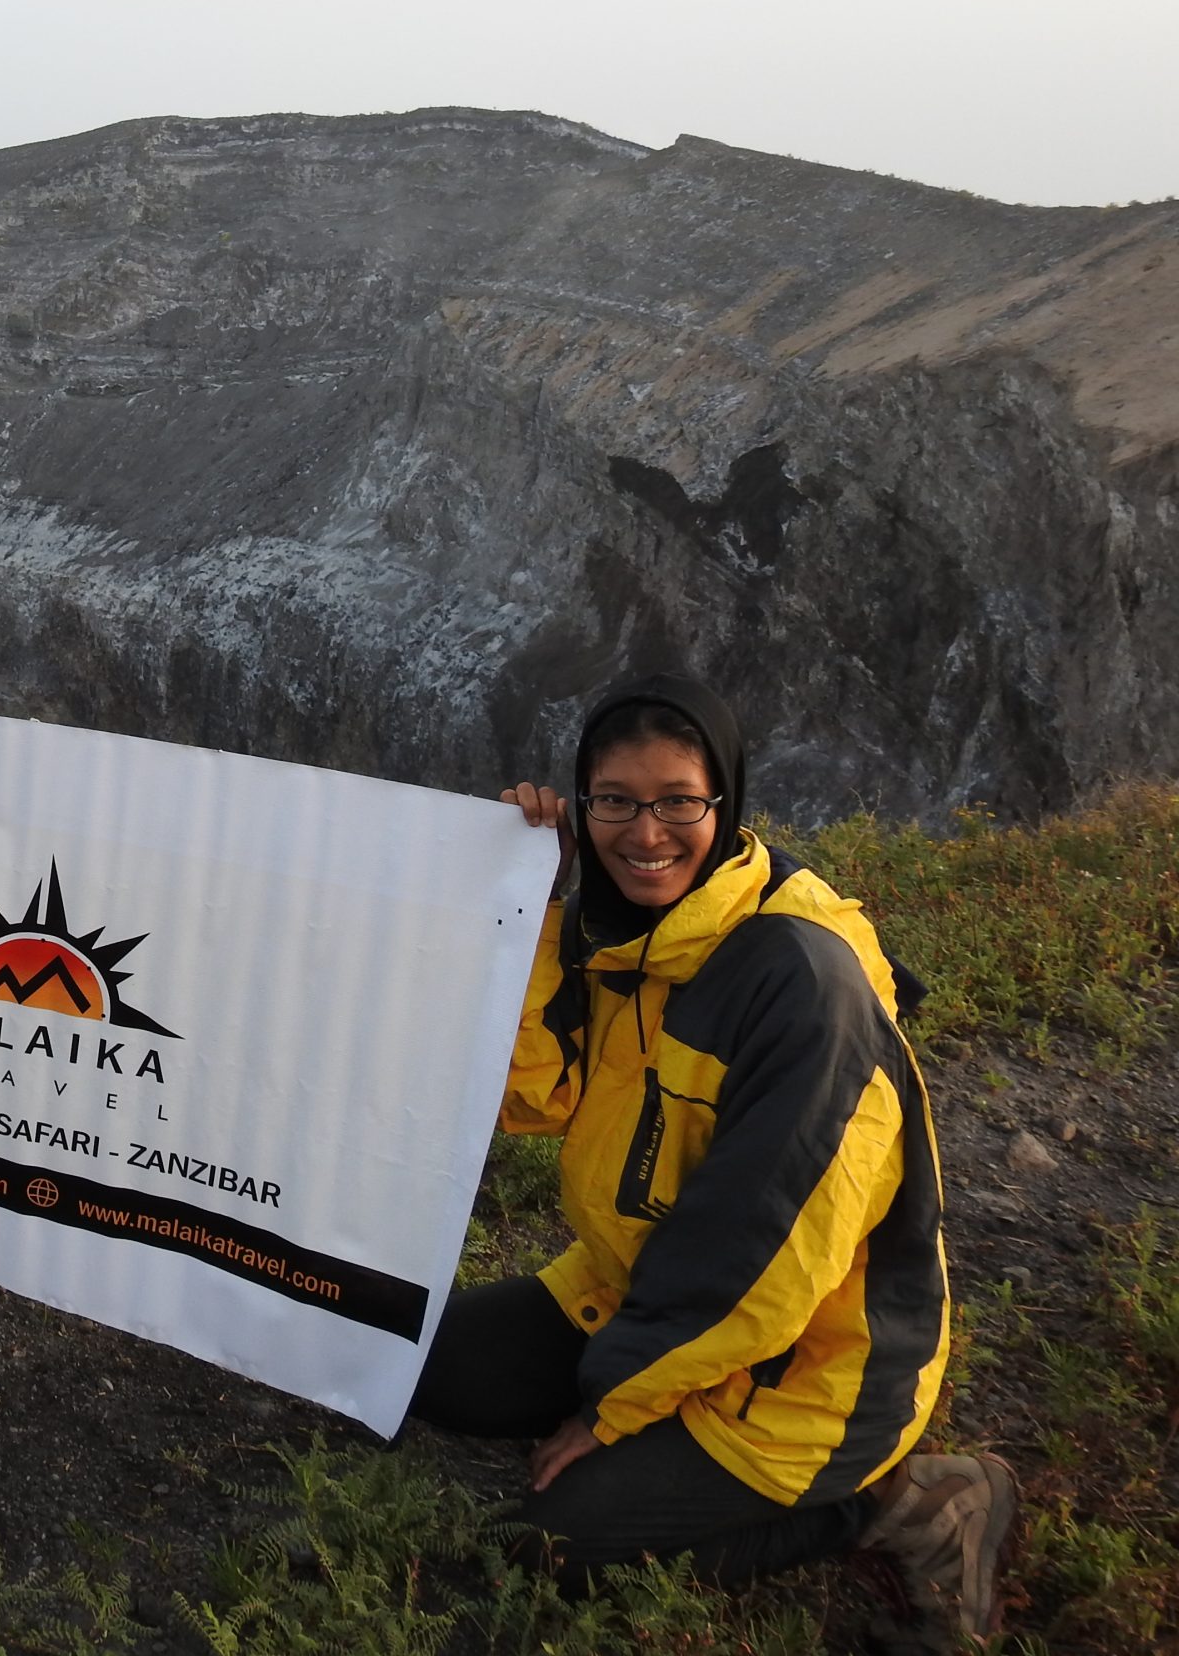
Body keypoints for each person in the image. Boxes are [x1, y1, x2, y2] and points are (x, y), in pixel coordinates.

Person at [409, 671, 1014, 1653]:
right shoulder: (628, 931)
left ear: (722, 803)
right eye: (614, 802)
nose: (645, 834)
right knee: (419, 1368)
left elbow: (759, 1264)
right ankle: (655, 1429)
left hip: (804, 1370)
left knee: (539, 1551)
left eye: (677, 803)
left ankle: (909, 1502)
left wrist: (609, 1413)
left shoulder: (800, 985)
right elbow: (534, 1094)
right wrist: (535, 894)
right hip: (636, 1293)